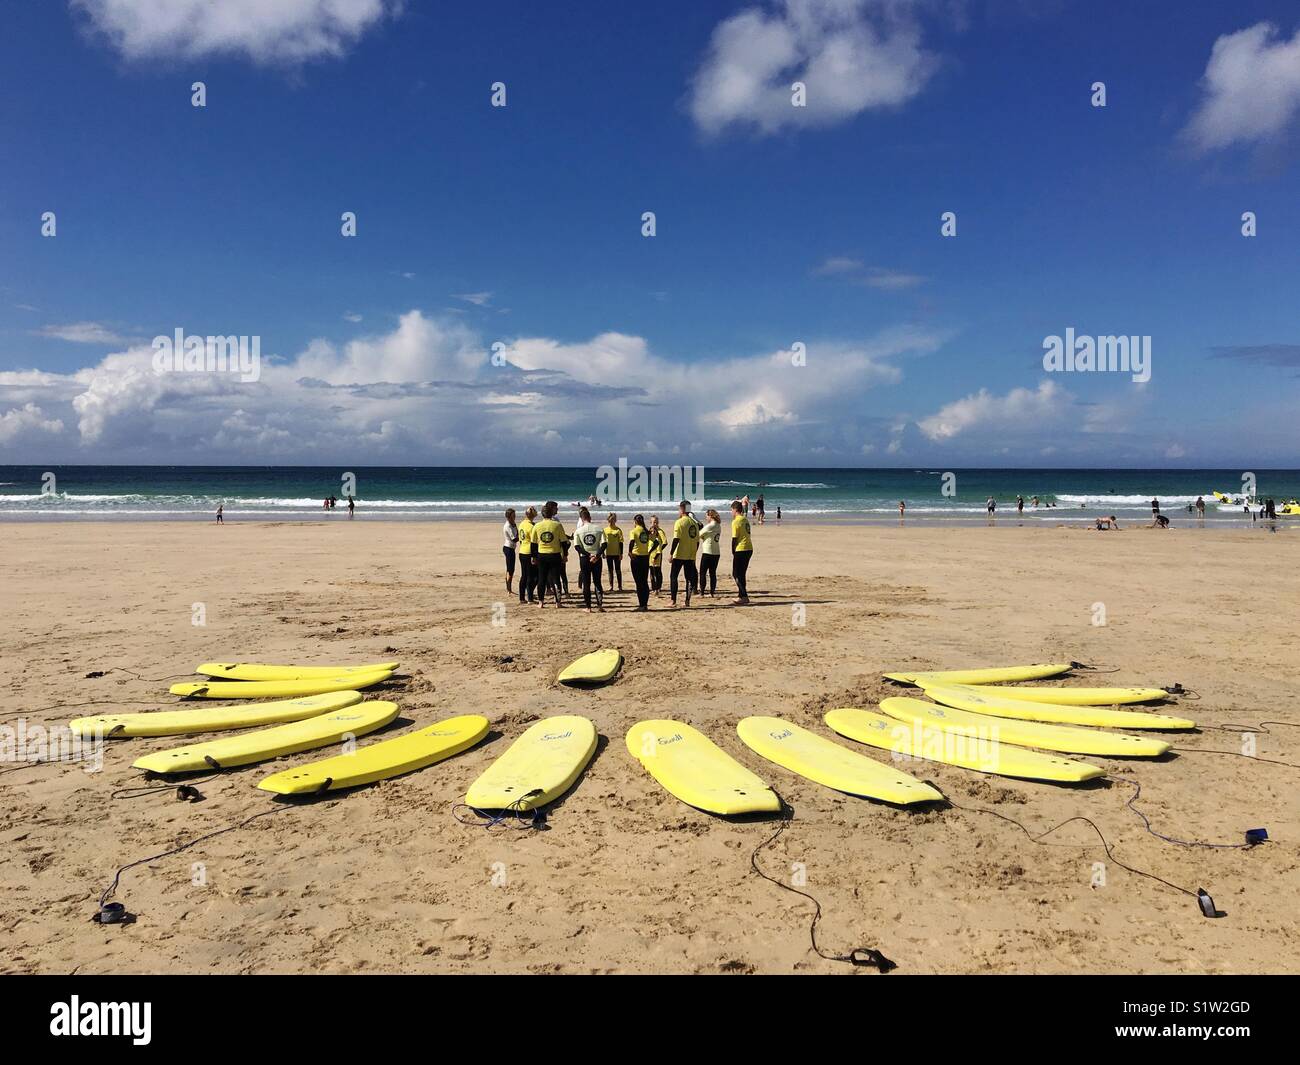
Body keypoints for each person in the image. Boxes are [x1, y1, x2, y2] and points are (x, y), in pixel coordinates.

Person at [530, 501, 567, 608]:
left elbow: (533, 544)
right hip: (555, 554)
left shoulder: (537, 526)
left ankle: (541, 602)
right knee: (556, 579)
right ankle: (558, 602)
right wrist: (565, 555)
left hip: (542, 555)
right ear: (551, 514)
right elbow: (564, 542)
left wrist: (533, 556)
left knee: (542, 579)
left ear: (542, 514)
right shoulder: (557, 525)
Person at [573, 506, 605, 612]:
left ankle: (588, 607)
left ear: (582, 519)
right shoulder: (599, 529)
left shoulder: (578, 531)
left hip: (585, 559)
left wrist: (588, 555)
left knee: (586, 583)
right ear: (590, 518)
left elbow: (577, 547)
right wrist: (597, 555)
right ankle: (599, 605)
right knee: (597, 582)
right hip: (597, 558)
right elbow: (604, 544)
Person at [669, 501, 700, 608]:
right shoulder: (695, 524)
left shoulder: (679, 522)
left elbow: (676, 539)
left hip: (679, 554)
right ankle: (687, 601)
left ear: (682, 509)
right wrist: (694, 552)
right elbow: (697, 541)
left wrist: (671, 553)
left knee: (673, 576)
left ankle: (673, 601)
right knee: (689, 578)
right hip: (690, 555)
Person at [628, 514, 653, 610]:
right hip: (645, 557)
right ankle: (645, 604)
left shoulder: (634, 531)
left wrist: (630, 552)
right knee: (644, 581)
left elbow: (631, 542)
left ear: (635, 521)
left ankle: (641, 605)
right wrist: (649, 551)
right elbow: (654, 542)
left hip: (636, 558)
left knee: (638, 582)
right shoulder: (646, 532)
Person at [730, 499, 753, 604]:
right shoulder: (745, 520)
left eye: (731, 510)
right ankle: (741, 595)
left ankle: (744, 595)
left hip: (741, 549)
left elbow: (734, 538)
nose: (731, 513)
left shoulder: (736, 521)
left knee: (736, 574)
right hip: (749, 548)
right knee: (742, 574)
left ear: (735, 510)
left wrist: (733, 550)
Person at [698, 508, 722, 597]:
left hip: (708, 551)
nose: (706, 518)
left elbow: (699, 534)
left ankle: (702, 593)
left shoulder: (710, 526)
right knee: (712, 573)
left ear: (710, 516)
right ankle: (712, 592)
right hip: (716, 552)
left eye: (706, 516)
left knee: (703, 572)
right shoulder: (718, 525)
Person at [517, 506, 538, 603]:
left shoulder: (521, 524)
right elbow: (535, 542)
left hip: (522, 551)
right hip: (530, 552)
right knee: (532, 576)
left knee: (524, 575)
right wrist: (535, 555)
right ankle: (530, 597)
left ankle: (522, 597)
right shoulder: (532, 526)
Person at [603, 513, 624, 591]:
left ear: (615, 520)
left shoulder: (618, 530)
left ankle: (620, 586)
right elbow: (603, 542)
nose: (611, 522)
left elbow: (621, 542)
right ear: (608, 520)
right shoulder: (605, 530)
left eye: (613, 520)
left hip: (616, 553)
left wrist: (621, 553)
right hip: (608, 553)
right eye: (610, 520)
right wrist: (602, 553)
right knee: (610, 570)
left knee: (618, 570)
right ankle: (611, 586)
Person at [648, 516, 667, 595]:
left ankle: (658, 587)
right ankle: (653, 587)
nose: (654, 523)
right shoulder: (649, 531)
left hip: (657, 554)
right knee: (651, 572)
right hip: (650, 554)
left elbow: (665, 542)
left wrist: (659, 551)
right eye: (653, 522)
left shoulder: (660, 531)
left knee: (657, 572)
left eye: (656, 522)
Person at [502, 508, 519, 593]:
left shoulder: (513, 524)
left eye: (515, 515)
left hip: (511, 548)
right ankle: (509, 589)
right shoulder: (508, 525)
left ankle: (508, 587)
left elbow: (517, 532)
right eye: (513, 515)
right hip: (508, 548)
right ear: (509, 516)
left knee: (510, 569)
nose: (514, 517)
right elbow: (514, 539)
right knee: (510, 569)